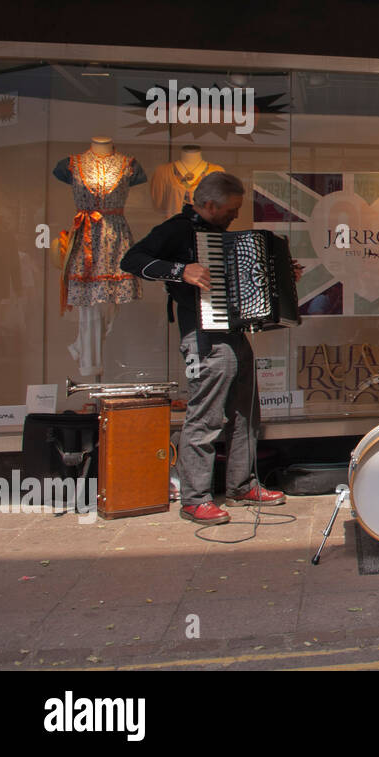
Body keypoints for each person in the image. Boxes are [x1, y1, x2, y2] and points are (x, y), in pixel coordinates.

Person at [121, 172, 289, 525]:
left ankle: (241, 484)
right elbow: (132, 260)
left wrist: (279, 276)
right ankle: (194, 498)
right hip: (201, 333)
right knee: (207, 414)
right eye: (231, 209)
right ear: (210, 204)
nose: (235, 216)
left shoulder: (218, 234)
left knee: (246, 410)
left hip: (233, 332)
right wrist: (181, 271)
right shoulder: (178, 229)